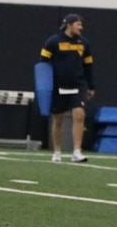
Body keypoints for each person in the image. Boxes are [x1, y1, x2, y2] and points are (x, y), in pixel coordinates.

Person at [38, 13, 95, 163]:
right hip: (59, 86)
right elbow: (42, 64)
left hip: (78, 84)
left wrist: (91, 86)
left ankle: (77, 151)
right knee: (58, 120)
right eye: (78, 24)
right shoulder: (53, 41)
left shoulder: (84, 43)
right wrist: (44, 87)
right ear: (69, 25)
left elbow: (88, 65)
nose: (81, 28)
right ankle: (57, 152)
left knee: (79, 114)